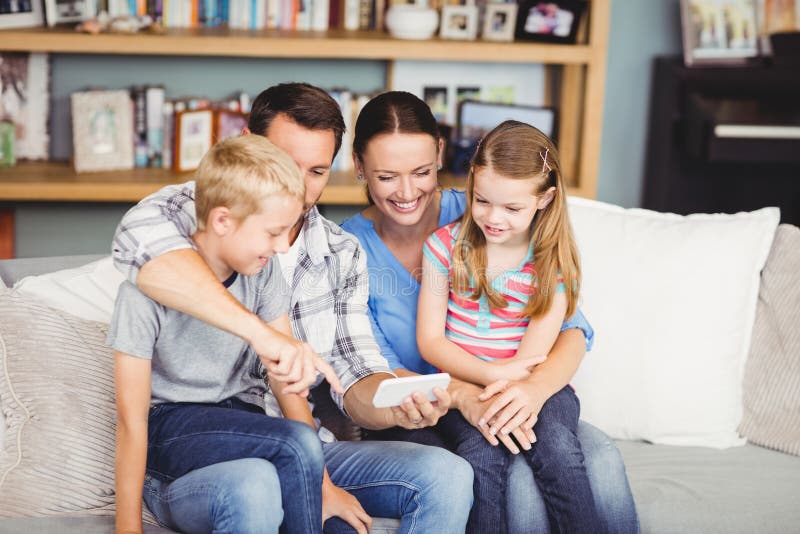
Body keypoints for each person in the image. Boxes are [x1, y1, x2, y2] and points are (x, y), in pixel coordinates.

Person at [110, 83, 473, 534]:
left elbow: (354, 371)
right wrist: (262, 335)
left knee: (448, 474)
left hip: (295, 440)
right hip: (199, 445)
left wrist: (397, 405)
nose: (298, 188)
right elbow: (138, 248)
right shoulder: (187, 211)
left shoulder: (340, 253)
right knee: (274, 468)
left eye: (317, 171)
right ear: (248, 143)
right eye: (285, 162)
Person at [340, 90, 639, 533]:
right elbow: (372, 367)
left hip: (522, 390)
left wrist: (534, 388)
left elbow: (572, 329)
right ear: (360, 167)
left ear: (442, 153)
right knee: (479, 466)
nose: (407, 192)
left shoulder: (485, 209)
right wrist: (474, 390)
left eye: (421, 172)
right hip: (421, 412)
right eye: (386, 176)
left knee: (597, 459)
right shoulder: (350, 249)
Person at [111, 135, 341, 534]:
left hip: (239, 419)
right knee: (296, 444)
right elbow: (131, 422)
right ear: (222, 221)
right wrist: (127, 527)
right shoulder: (143, 293)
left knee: (339, 521)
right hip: (170, 429)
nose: (283, 247)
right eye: (272, 233)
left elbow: (287, 383)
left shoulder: (262, 271)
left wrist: (325, 486)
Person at [417, 120, 600, 533]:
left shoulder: (553, 265)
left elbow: (531, 360)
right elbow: (429, 342)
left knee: (555, 449)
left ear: (545, 199)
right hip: (461, 382)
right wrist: (489, 376)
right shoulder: (441, 248)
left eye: (512, 208)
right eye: (482, 200)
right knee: (481, 452)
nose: (493, 218)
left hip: (534, 382)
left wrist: (516, 392)